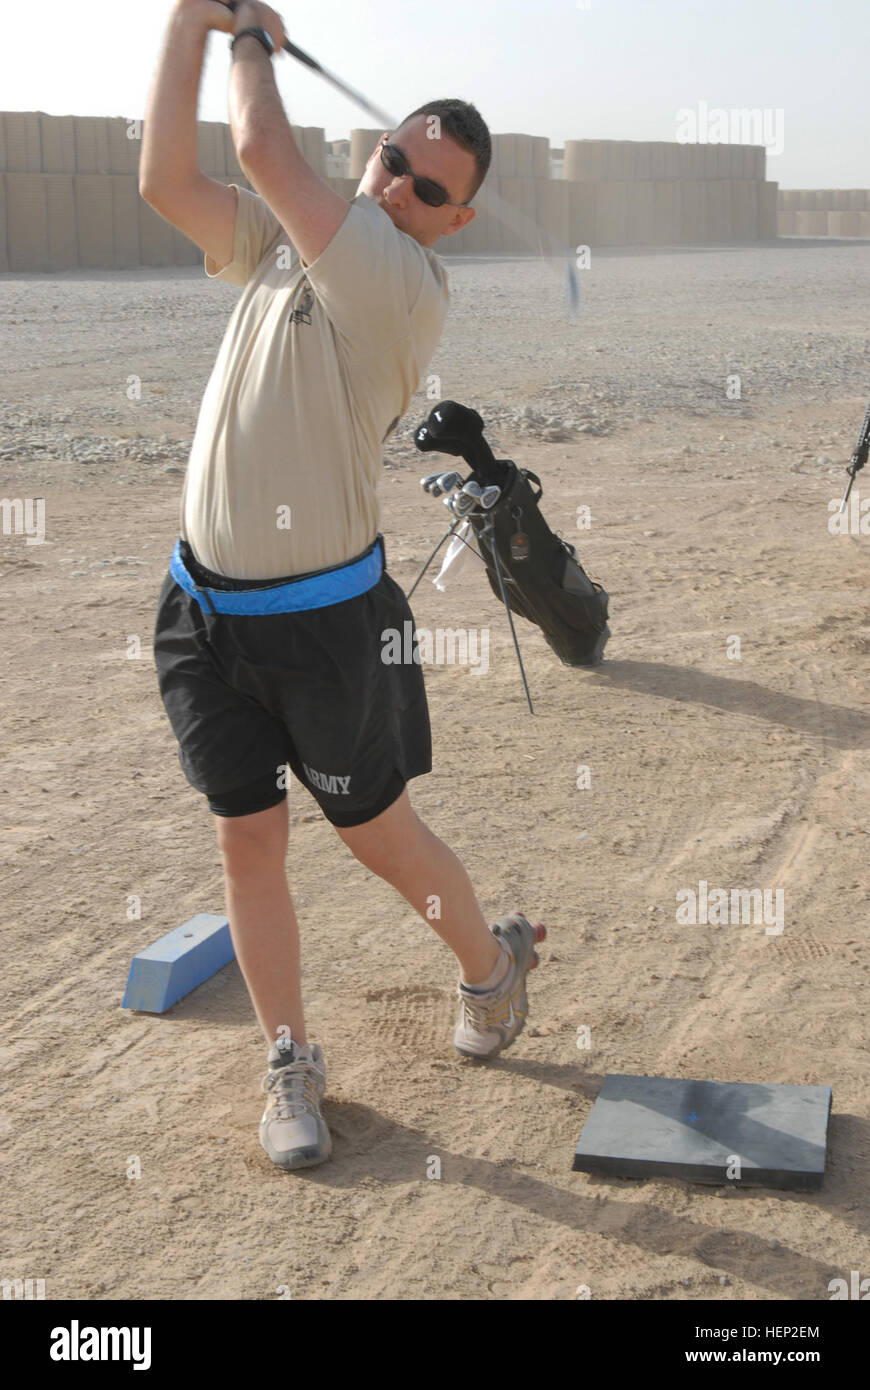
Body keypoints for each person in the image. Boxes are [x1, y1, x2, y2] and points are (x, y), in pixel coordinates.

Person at [143, 0, 545, 1171]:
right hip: (204, 611)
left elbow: (266, 150)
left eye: (428, 187)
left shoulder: (405, 283)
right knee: (249, 846)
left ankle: (491, 967)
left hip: (325, 625)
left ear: (452, 220)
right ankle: (290, 1057)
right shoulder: (282, 248)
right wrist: (189, 23)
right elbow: (169, 177)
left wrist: (251, 38)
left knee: (378, 837)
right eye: (392, 160)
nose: (399, 187)